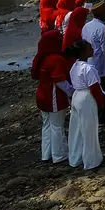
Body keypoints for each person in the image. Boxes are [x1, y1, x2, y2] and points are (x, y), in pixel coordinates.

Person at [32, 29, 71, 164]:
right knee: (57, 126)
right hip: (53, 97)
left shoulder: (41, 58)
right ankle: (59, 155)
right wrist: (71, 92)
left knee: (47, 125)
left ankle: (46, 154)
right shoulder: (56, 59)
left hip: (42, 96)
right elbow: (60, 81)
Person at [66, 40, 105, 170]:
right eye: (90, 48)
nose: (92, 50)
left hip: (76, 96)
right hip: (86, 97)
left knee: (76, 129)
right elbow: (95, 88)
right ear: (84, 52)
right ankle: (92, 160)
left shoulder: (74, 66)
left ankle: (75, 158)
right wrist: (101, 102)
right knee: (89, 129)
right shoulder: (88, 69)